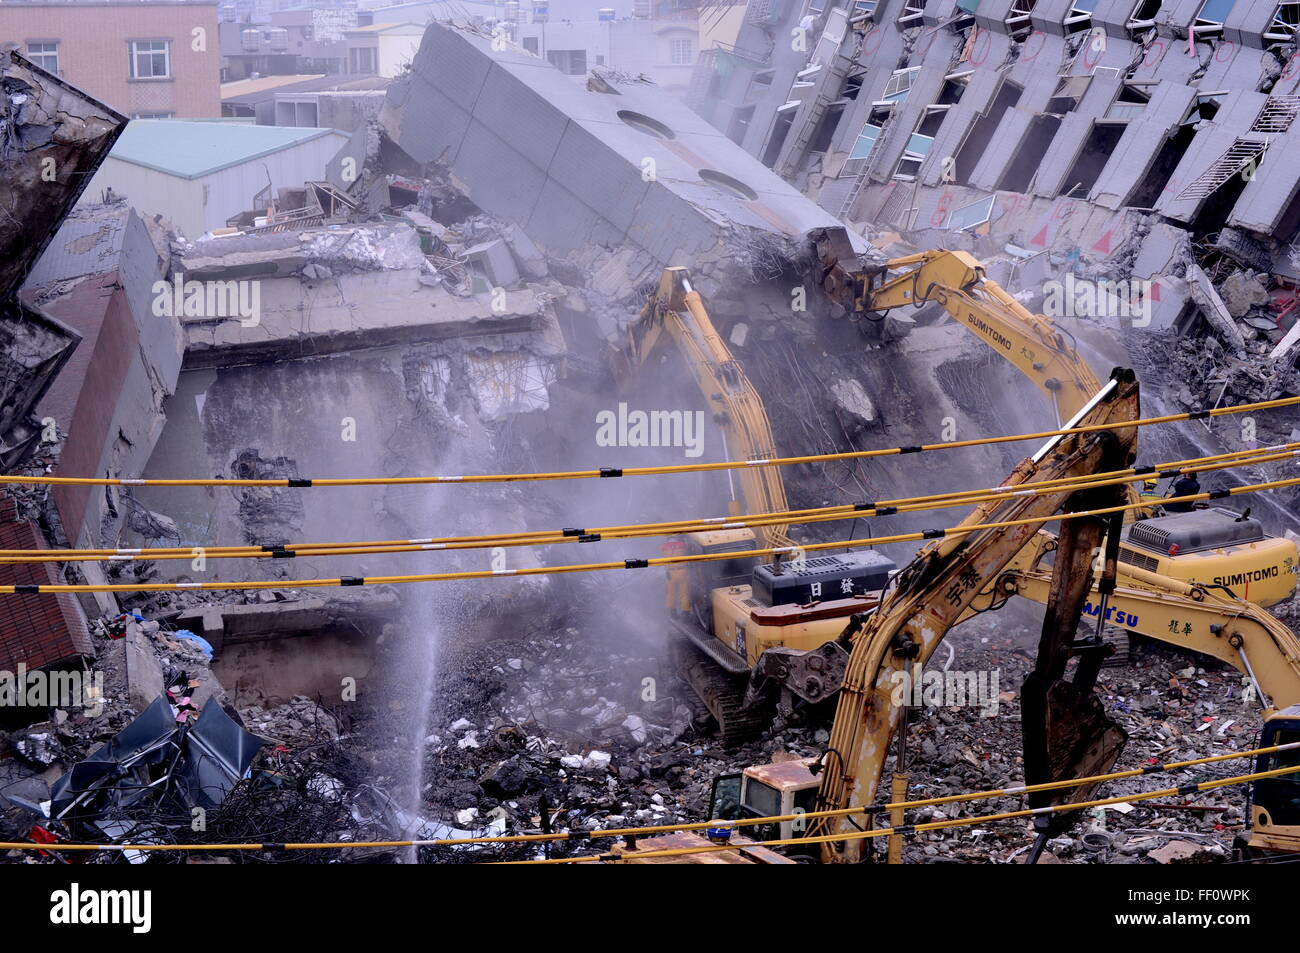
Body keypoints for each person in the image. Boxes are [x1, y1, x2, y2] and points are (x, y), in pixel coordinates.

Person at [660, 535, 691, 618]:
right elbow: (688, 551)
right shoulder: (683, 546)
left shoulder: (663, 548)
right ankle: (685, 613)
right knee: (684, 593)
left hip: (670, 573)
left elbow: (663, 557)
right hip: (682, 572)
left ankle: (673, 612)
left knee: (671, 593)